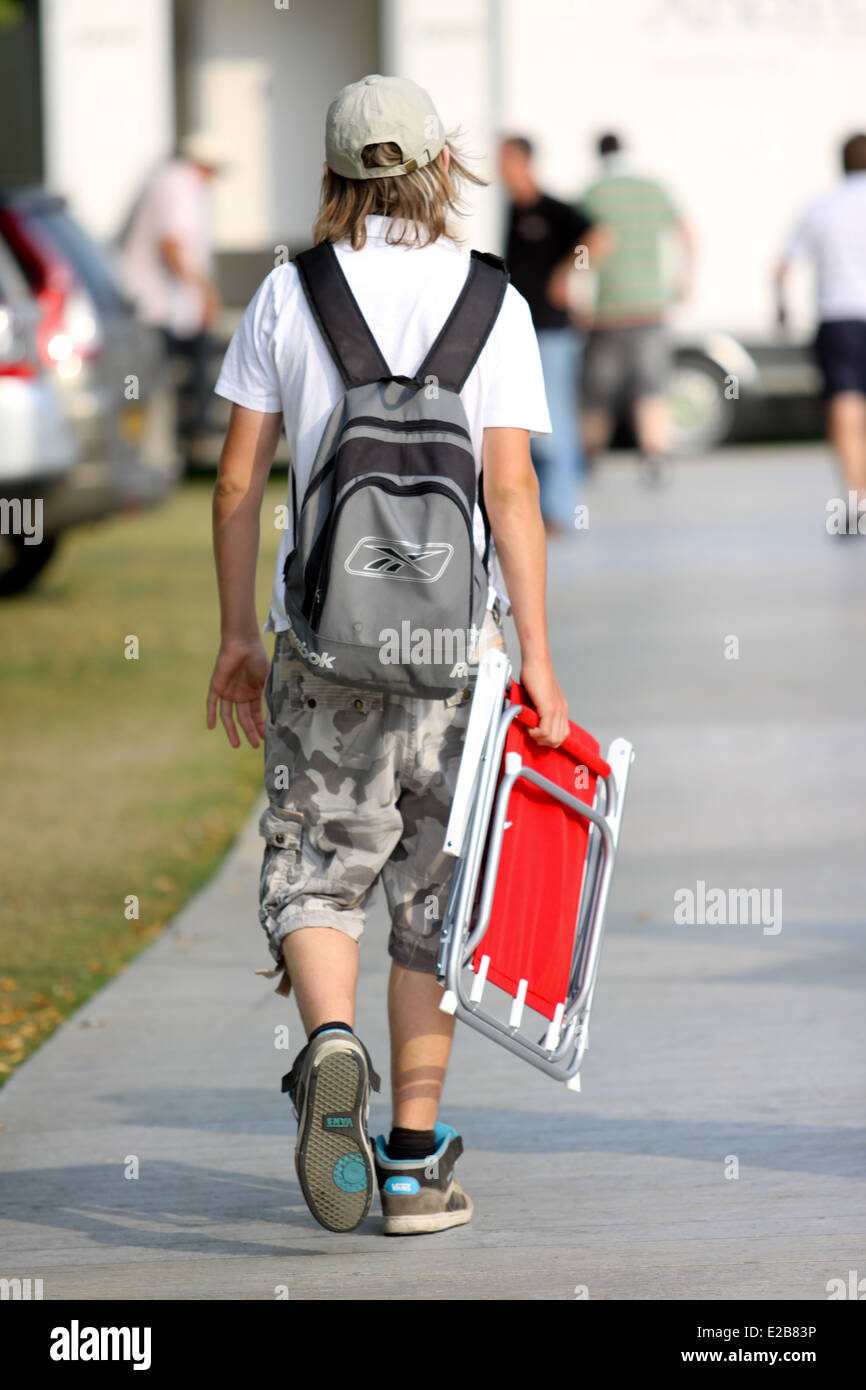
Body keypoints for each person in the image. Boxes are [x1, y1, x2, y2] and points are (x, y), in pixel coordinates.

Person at [206, 74, 569, 1237]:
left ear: (331, 171)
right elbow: (509, 490)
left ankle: (328, 1045)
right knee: (431, 901)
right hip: (456, 654)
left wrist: (231, 639)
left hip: (324, 646)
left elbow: (232, 482)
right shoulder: (491, 300)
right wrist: (543, 669)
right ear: (438, 164)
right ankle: (411, 1168)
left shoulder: (285, 293)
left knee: (316, 871)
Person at [499, 136, 607, 534]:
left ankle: (560, 510)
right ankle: (539, 509)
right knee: (525, 424)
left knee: (555, 421)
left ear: (523, 162)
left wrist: (567, 273)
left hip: (552, 333)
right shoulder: (513, 208)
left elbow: (600, 236)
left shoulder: (552, 208)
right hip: (520, 332)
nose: (500, 168)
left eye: (506, 160)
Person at [578, 133, 694, 479]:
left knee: (598, 391)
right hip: (650, 306)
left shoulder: (592, 194)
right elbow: (687, 234)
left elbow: (584, 249)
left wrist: (580, 294)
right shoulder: (652, 188)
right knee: (650, 385)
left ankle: (588, 456)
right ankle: (655, 454)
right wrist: (683, 279)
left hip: (608, 310)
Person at [776, 133, 866, 517]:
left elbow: (783, 264)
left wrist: (782, 309)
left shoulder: (822, 206)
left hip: (838, 314)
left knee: (845, 402)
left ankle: (856, 497)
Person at [116, 131, 224, 439]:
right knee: (148, 386)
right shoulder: (180, 185)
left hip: (153, 304)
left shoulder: (167, 179)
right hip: (154, 304)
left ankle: (162, 439)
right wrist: (204, 293)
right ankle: (187, 432)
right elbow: (172, 245)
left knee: (147, 384)